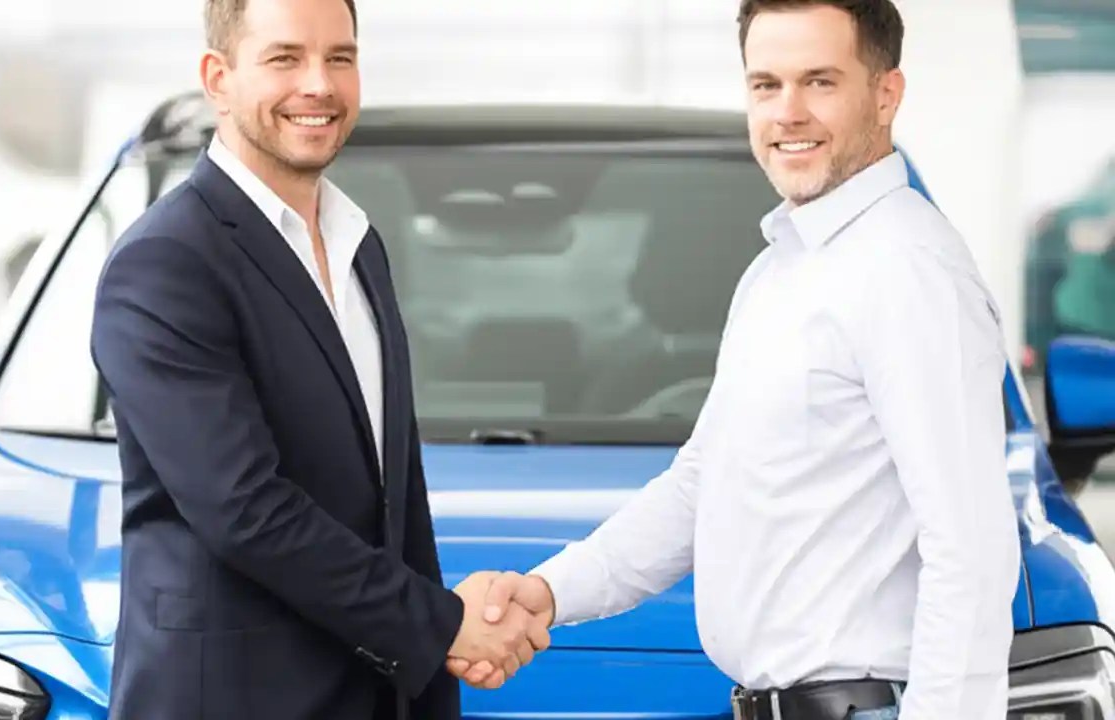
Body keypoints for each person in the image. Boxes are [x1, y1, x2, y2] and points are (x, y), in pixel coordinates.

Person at [450, 1, 1020, 719]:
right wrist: (551, 591)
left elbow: (969, 542)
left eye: (819, 82)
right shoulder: (781, 270)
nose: (788, 113)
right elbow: (698, 487)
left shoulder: (906, 270)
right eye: (765, 85)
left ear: (886, 95)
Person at [90, 0, 548, 717]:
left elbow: (397, 498)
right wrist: (442, 625)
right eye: (284, 58)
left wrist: (434, 672)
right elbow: (245, 509)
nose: (320, 85)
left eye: (341, 57)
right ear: (219, 77)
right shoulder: (167, 262)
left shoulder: (357, 244)